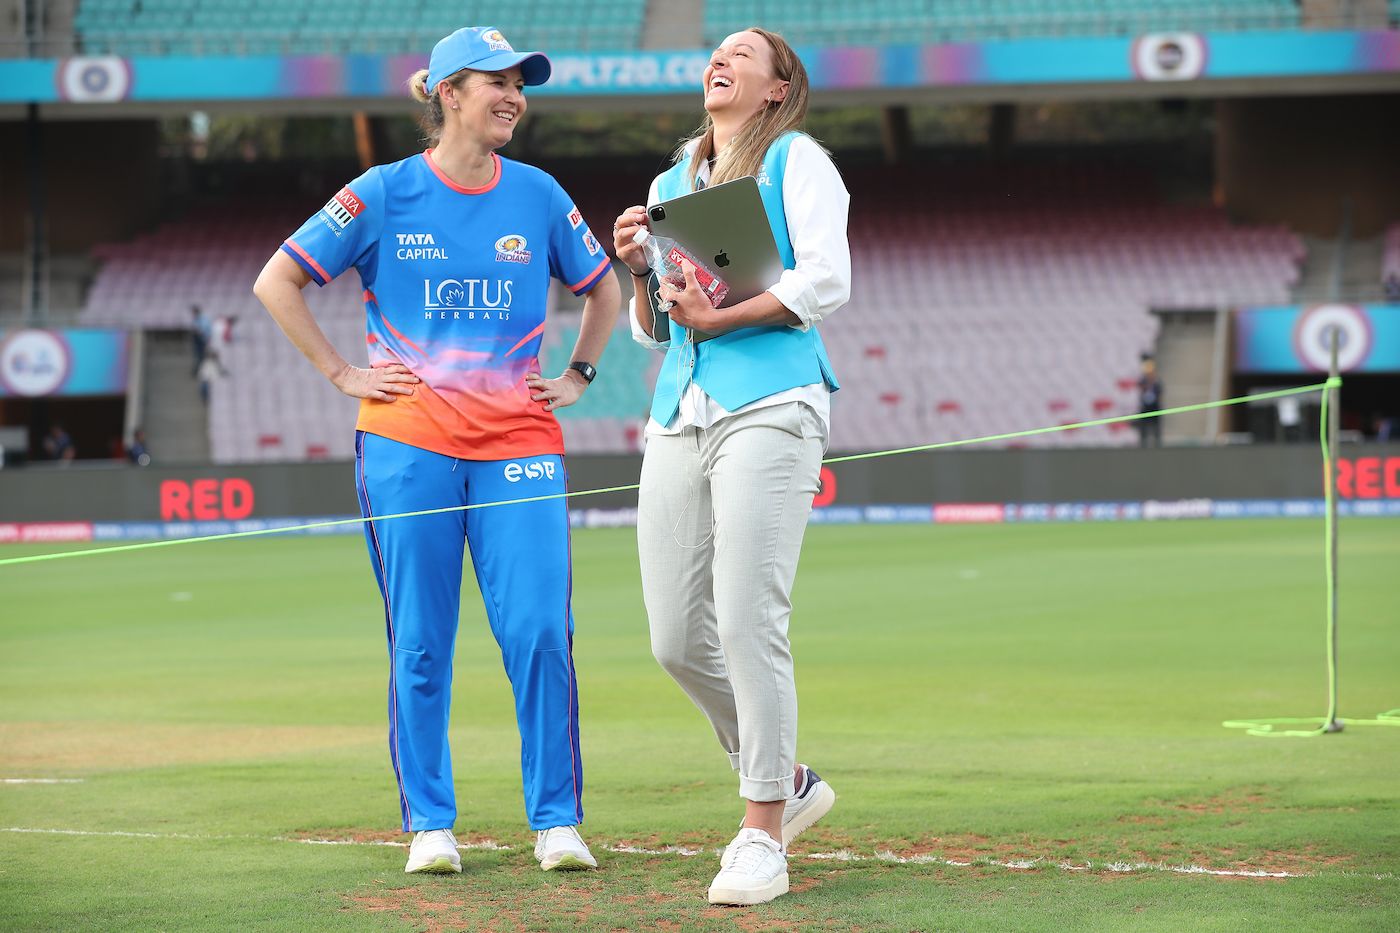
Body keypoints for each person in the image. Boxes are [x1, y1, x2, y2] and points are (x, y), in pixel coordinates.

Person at [253, 25, 620, 876]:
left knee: (539, 632)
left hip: (520, 444)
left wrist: (579, 373)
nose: (515, 98)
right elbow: (278, 280)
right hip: (406, 446)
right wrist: (342, 372)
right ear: (449, 92)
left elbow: (603, 289)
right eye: (498, 82)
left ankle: (557, 820)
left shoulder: (539, 193)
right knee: (421, 640)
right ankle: (429, 823)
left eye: (521, 85)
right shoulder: (382, 192)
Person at [612, 26, 847, 907]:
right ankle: (788, 776)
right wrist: (638, 270)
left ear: (778, 87)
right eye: (718, 51)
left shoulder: (797, 160)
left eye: (745, 53)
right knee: (675, 638)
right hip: (680, 409)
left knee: (750, 618)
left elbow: (827, 279)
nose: (723, 59)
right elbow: (655, 327)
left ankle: (762, 830)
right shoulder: (669, 182)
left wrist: (725, 317)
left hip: (773, 403)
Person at [1137, 356, 1162, 448]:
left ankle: (1157, 443)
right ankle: (1143, 444)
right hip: (1145, 407)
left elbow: (1160, 392)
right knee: (1143, 426)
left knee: (1156, 427)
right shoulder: (1143, 382)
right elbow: (1140, 389)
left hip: (1155, 407)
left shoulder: (1157, 383)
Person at [190, 305, 212, 376]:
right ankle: (198, 371)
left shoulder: (203, 319)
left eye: (194, 312)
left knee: (201, 357)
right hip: (198, 340)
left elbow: (203, 330)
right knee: (198, 356)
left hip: (202, 340)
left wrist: (198, 331)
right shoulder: (196, 319)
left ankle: (199, 371)